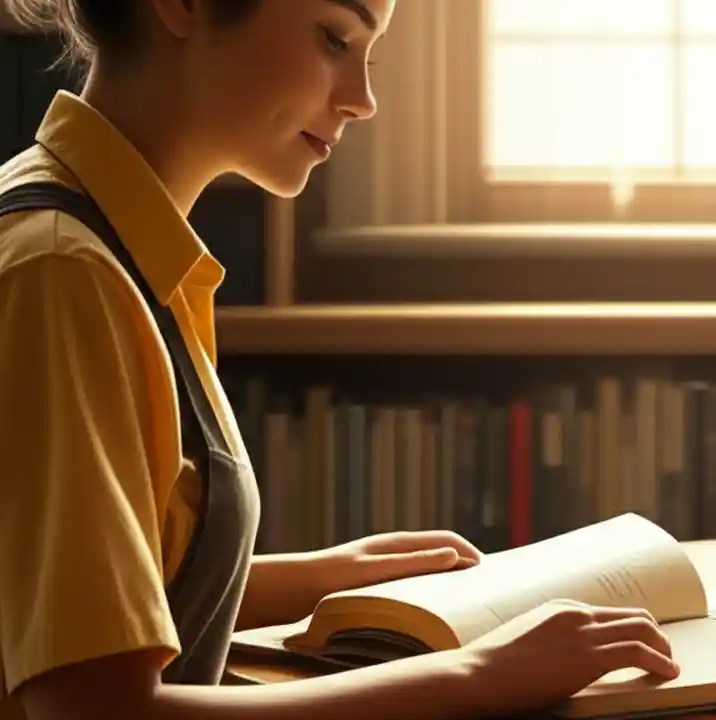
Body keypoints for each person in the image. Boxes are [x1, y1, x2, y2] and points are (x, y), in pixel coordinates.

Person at [0, 1, 680, 718]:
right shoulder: (60, 271)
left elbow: (74, 592)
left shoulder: (104, 243)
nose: (363, 99)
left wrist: (323, 582)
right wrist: (481, 675)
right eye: (333, 38)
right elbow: (96, 710)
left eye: (370, 55)